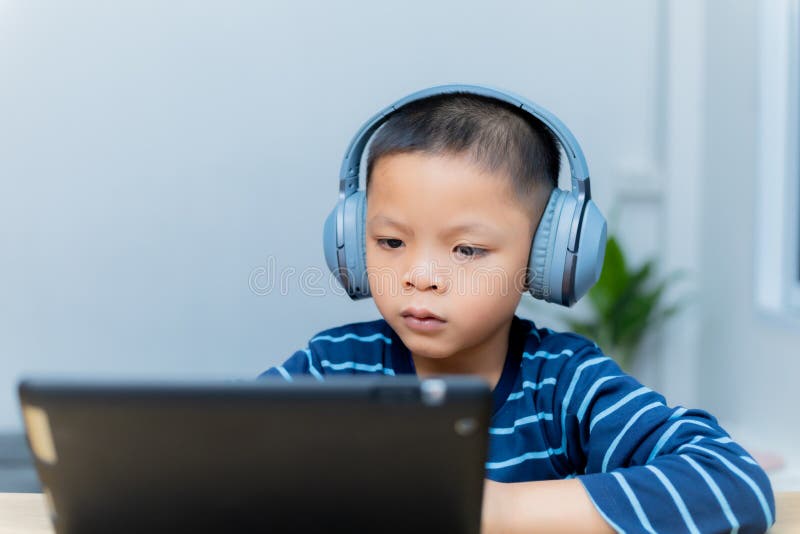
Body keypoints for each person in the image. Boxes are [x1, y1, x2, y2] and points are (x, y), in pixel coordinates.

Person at [259, 87, 775, 533]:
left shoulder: (565, 383)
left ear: (543, 260)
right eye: (391, 241)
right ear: (351, 241)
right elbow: (213, 458)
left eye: (467, 250)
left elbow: (731, 482)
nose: (420, 275)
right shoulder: (332, 367)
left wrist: (493, 510)